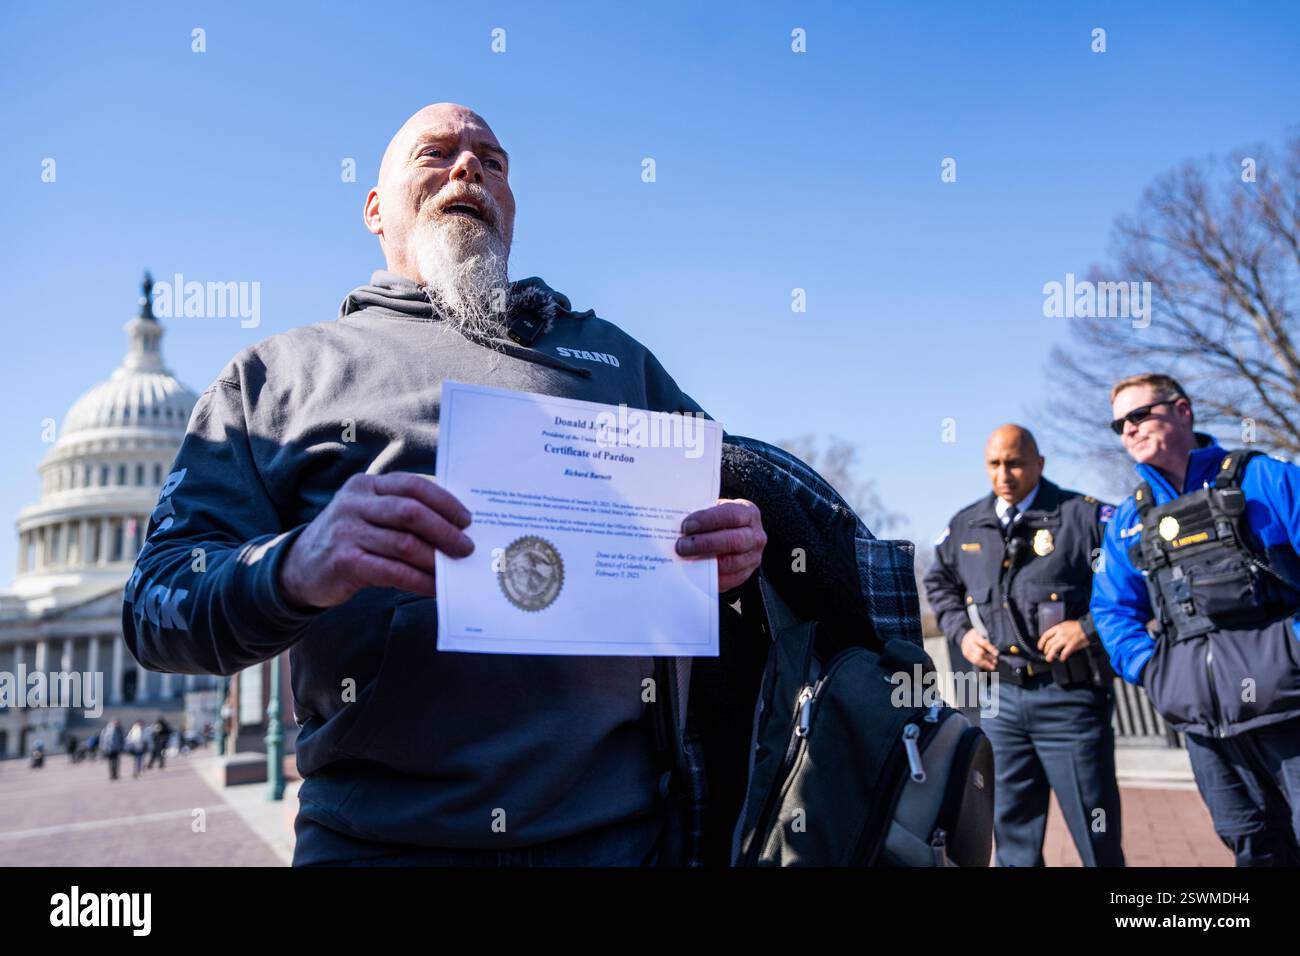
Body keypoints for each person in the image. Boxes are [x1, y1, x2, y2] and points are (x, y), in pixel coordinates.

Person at [120, 103, 767, 866]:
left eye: (493, 161)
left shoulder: (617, 359)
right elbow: (152, 605)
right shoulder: (275, 380)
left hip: (632, 844)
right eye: (437, 154)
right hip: (380, 847)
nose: (470, 168)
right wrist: (294, 567)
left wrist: (742, 544)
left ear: (512, 208)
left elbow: (738, 513)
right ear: (373, 210)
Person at [1092, 373, 1300, 866]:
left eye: (1140, 415)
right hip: (1208, 731)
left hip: (1290, 712)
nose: (1129, 430)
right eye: (1119, 424)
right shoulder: (1128, 521)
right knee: (1252, 849)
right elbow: (1111, 609)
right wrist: (1154, 671)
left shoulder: (1266, 479)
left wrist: (1292, 646)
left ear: (1183, 411)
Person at [924, 424, 1124, 866]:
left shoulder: (1084, 517)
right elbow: (938, 582)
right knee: (1010, 837)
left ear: (1039, 464)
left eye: (1014, 462)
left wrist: (1087, 627)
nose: (1004, 474)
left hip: (1069, 698)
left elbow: (1133, 581)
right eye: (994, 464)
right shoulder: (966, 525)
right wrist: (962, 631)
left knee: (1097, 834)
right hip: (1001, 702)